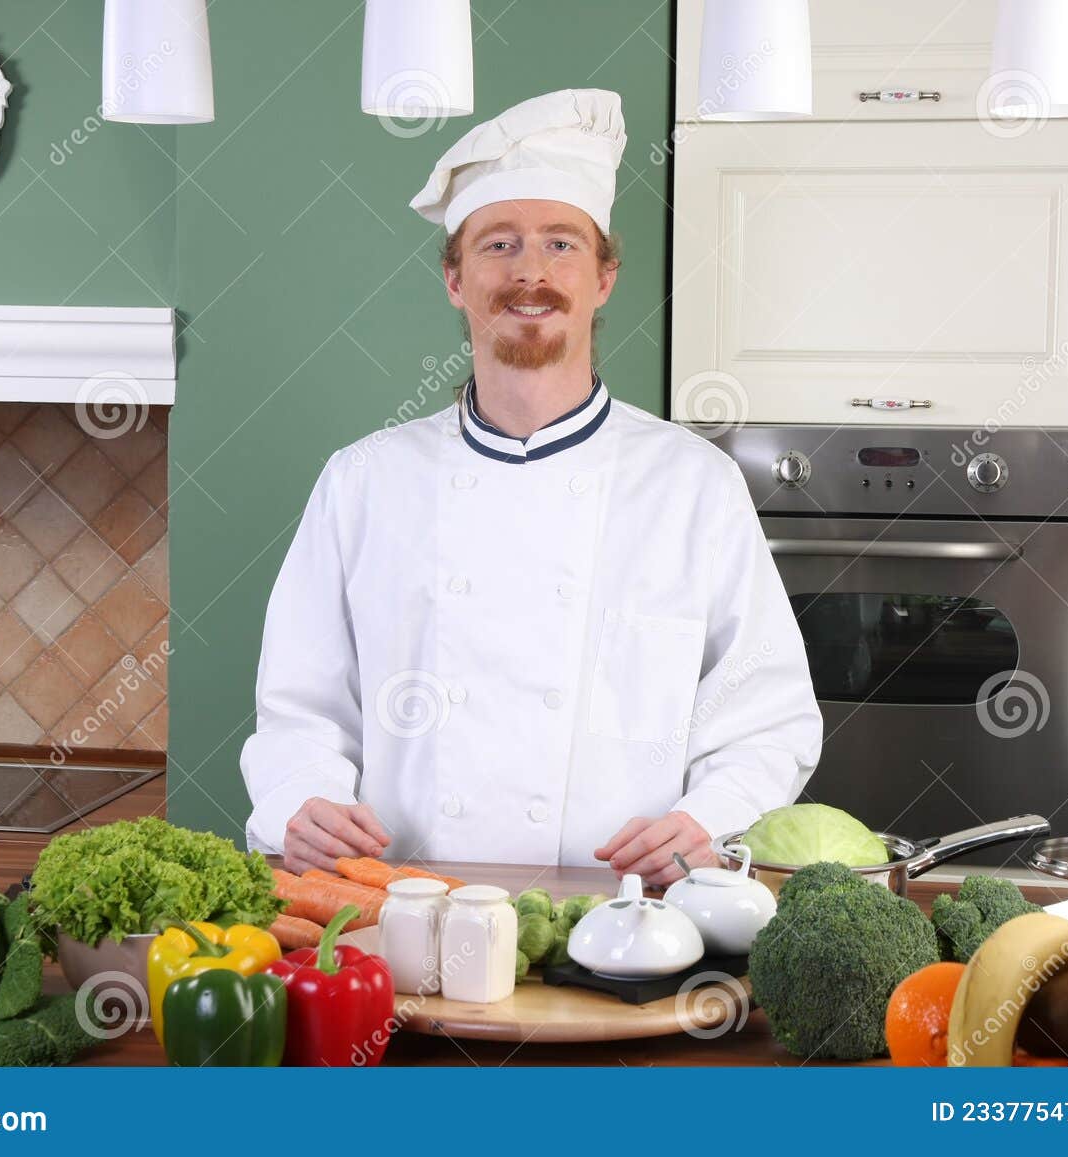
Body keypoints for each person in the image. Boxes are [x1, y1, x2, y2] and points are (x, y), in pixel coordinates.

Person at [240, 88, 820, 888]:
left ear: (605, 275)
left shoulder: (695, 488)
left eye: (560, 244)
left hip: (630, 923)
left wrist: (708, 820)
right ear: (454, 278)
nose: (531, 274)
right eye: (499, 244)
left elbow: (767, 713)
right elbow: (300, 708)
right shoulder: (363, 483)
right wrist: (302, 799)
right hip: (402, 917)